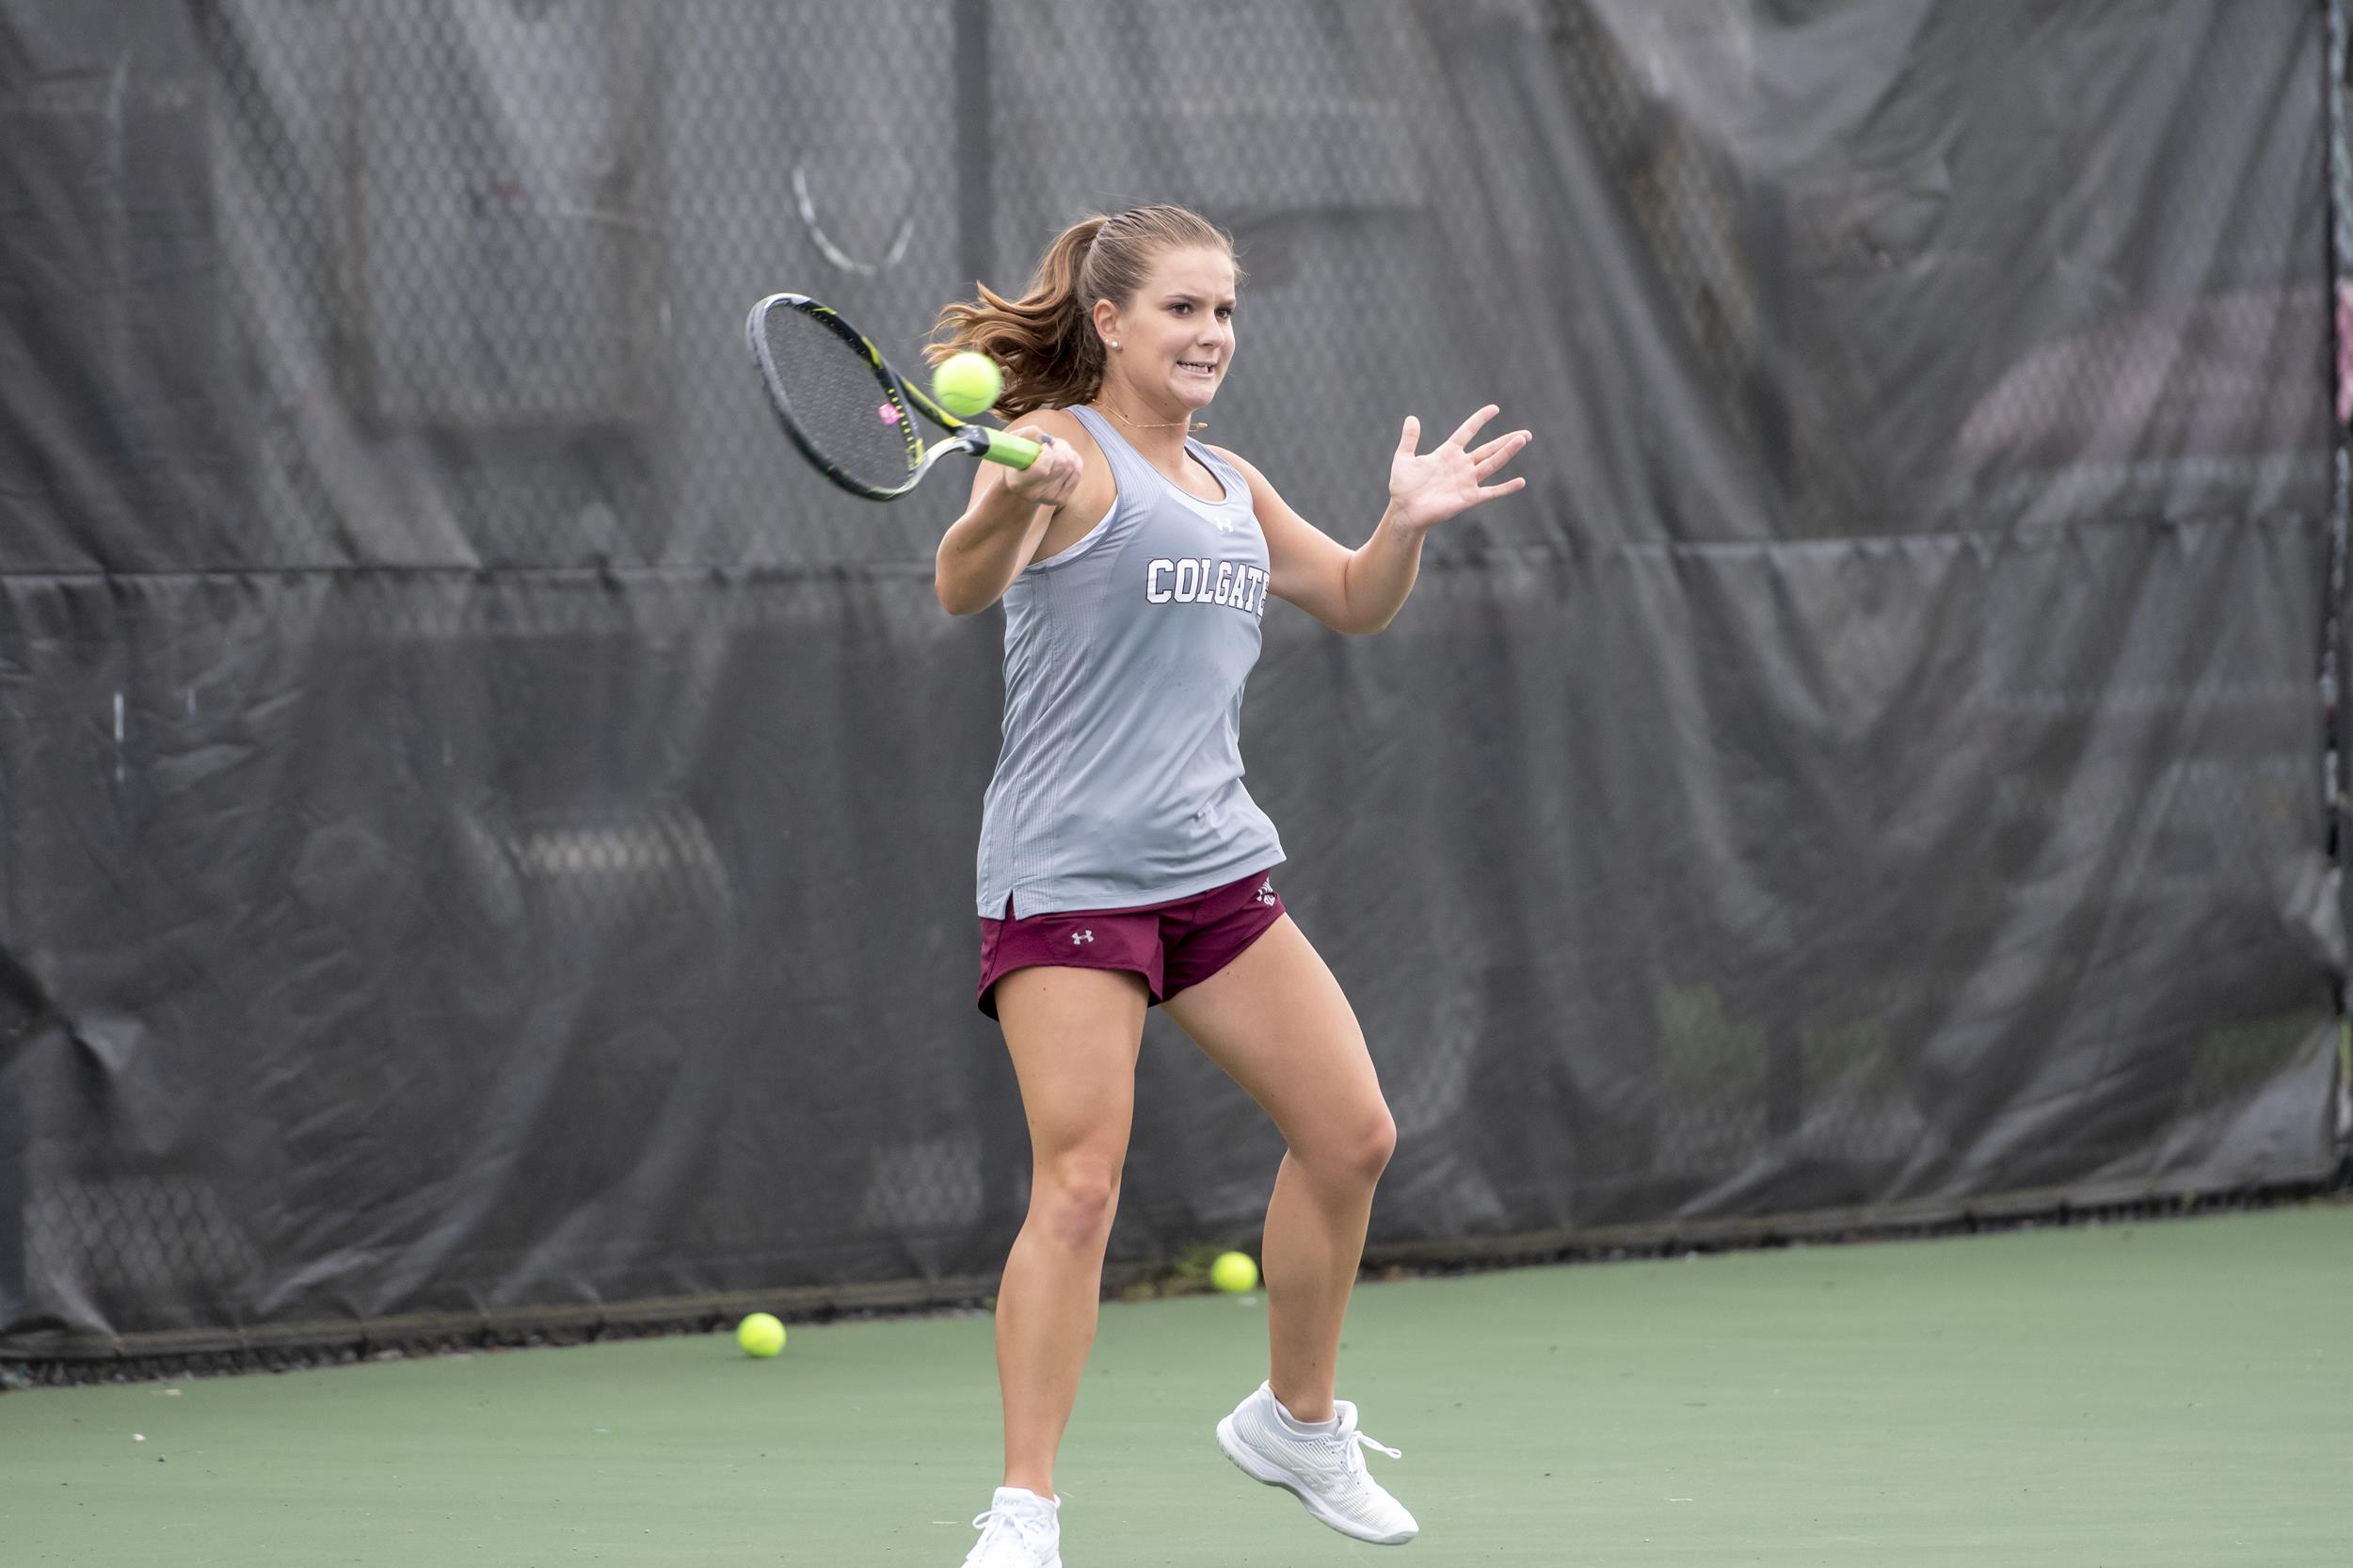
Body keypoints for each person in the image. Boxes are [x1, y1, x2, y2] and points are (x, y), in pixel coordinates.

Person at [927, 204, 1529, 1567]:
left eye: (1225, 312)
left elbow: (1357, 598)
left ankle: (1294, 1420)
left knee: (1355, 1133)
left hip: (1212, 868)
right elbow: (963, 586)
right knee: (1079, 1187)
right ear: (1111, 322)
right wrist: (1009, 506)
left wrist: (1405, 521)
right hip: (1069, 877)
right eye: (1184, 310)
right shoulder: (1060, 455)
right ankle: (1025, 1507)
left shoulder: (1233, 483)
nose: (1211, 335)